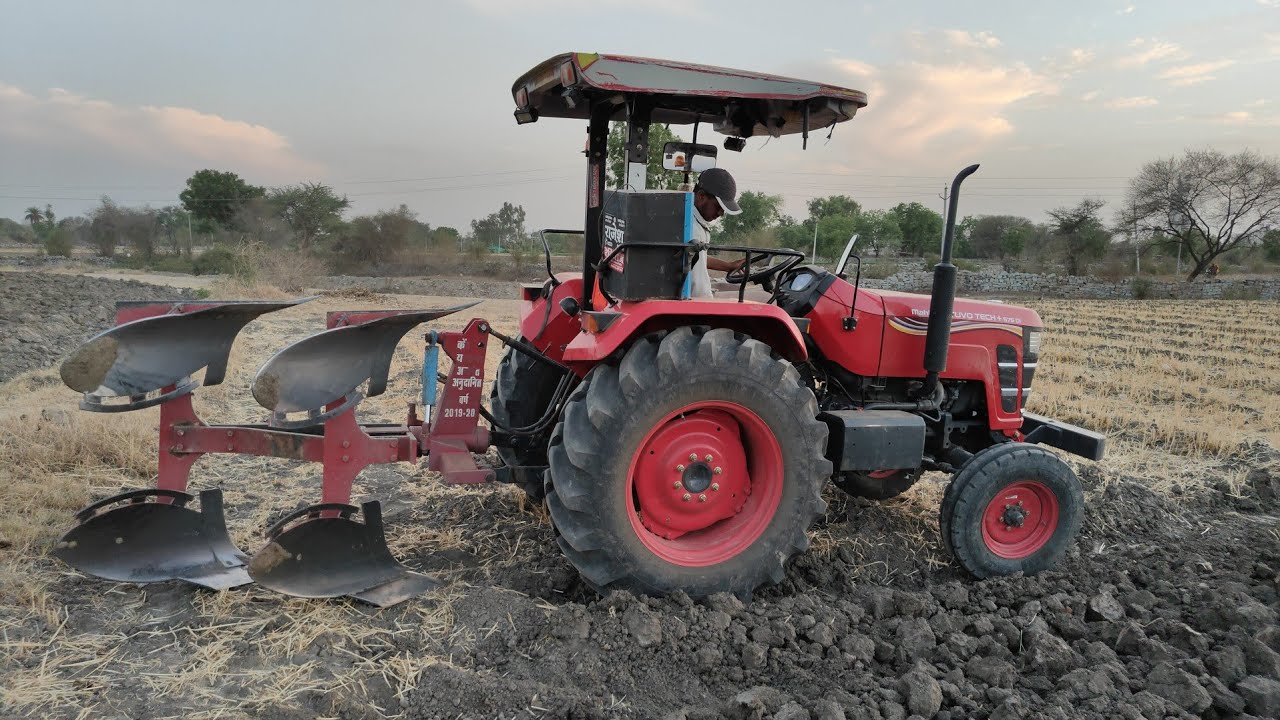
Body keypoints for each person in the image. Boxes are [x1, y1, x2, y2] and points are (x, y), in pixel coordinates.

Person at [687, 167, 746, 297]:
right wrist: (708, 303)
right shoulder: (691, 228)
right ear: (701, 196)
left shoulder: (694, 221)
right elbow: (697, 284)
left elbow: (697, 259)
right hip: (695, 303)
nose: (721, 213)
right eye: (718, 207)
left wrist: (728, 266)